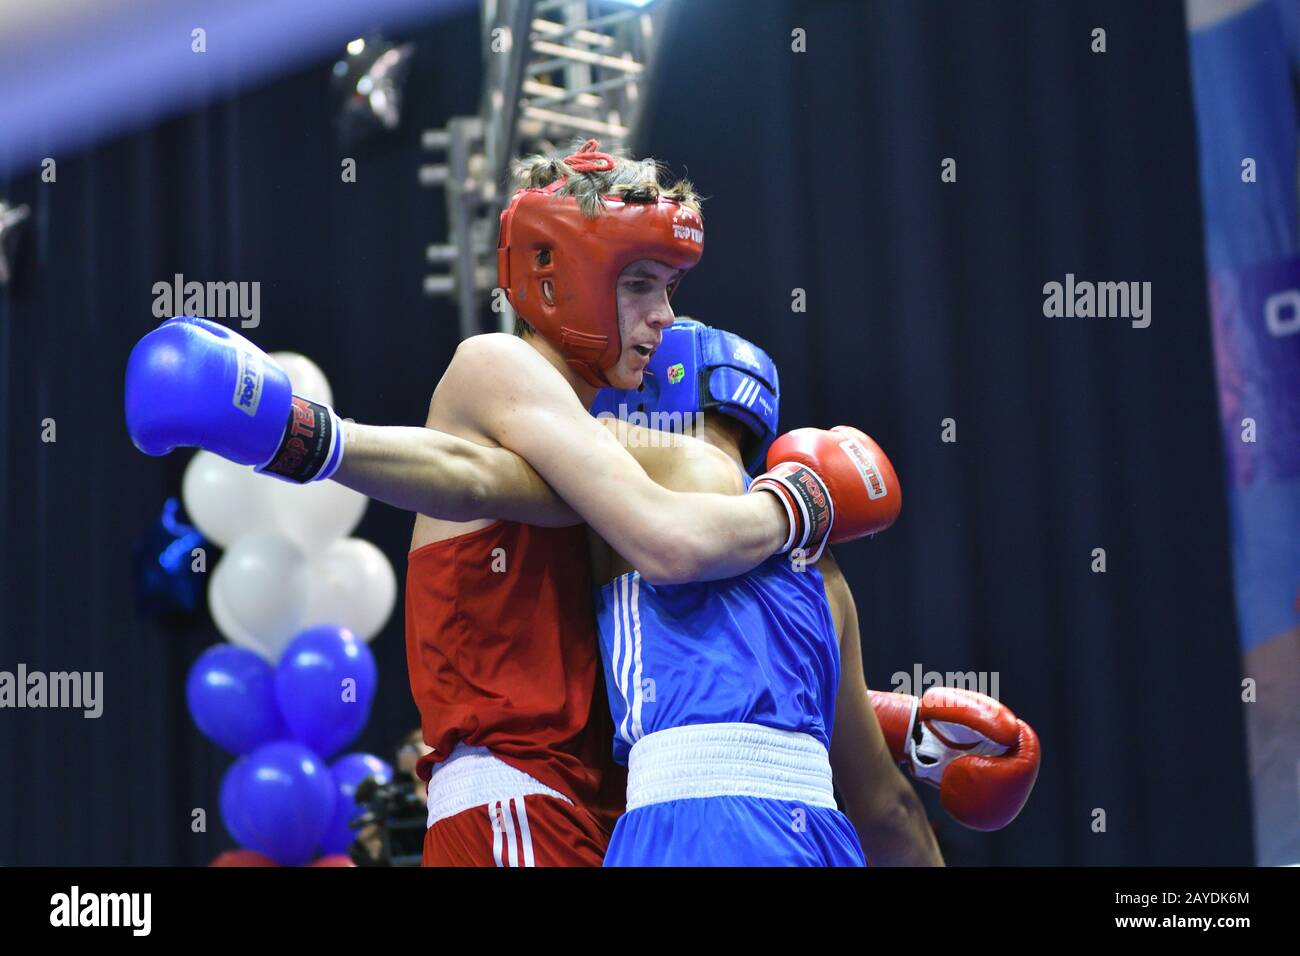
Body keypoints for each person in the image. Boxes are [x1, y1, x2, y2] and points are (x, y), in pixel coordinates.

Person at [125, 139, 891, 866]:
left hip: (590, 811)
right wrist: (801, 506)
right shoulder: (498, 363)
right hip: (518, 801)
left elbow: (498, 490)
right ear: (561, 278)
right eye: (638, 284)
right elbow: (666, 541)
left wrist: (898, 719)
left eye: (670, 288)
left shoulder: (589, 447)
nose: (663, 316)